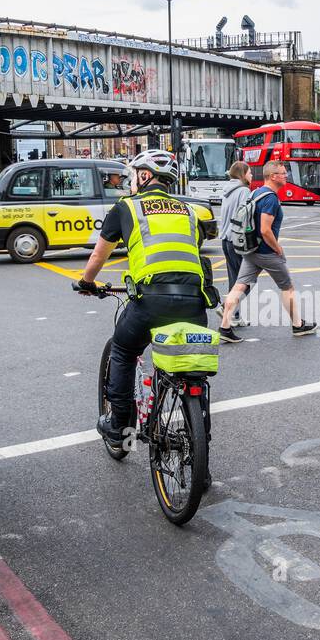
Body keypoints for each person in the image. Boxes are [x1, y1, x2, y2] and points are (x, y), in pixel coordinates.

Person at [76, 149, 213, 447]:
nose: (131, 183)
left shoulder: (128, 208)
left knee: (123, 350)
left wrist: (87, 282)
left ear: (144, 175)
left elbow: (100, 254)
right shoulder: (188, 211)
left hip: (150, 301)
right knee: (194, 374)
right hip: (194, 303)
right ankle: (201, 447)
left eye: (133, 176)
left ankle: (118, 423)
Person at [219, 160, 317, 342]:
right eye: (283, 173)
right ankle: (298, 325)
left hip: (251, 249)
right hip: (266, 252)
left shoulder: (256, 192)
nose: (286, 175)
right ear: (273, 176)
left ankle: (225, 327)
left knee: (239, 286)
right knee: (287, 287)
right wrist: (278, 248)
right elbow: (265, 229)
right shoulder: (270, 198)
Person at [217, 161, 254, 325]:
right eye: (249, 172)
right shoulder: (244, 191)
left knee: (235, 279)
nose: (252, 175)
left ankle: (235, 316)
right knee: (247, 280)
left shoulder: (227, 190)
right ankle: (227, 307)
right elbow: (245, 216)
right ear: (242, 174)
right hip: (237, 241)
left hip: (226, 240)